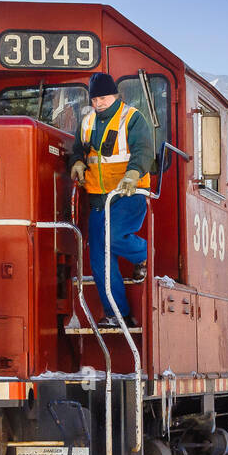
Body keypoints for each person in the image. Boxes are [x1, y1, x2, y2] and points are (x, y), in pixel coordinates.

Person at [68, 72, 155, 329]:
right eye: (95, 99)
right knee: (98, 257)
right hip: (96, 197)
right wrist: (77, 162)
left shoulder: (132, 117)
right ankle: (117, 314)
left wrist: (133, 172)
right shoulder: (86, 122)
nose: (99, 103)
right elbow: (78, 148)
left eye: (103, 98)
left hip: (129, 193)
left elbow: (144, 149)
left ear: (115, 96)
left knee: (112, 237)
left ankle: (143, 254)